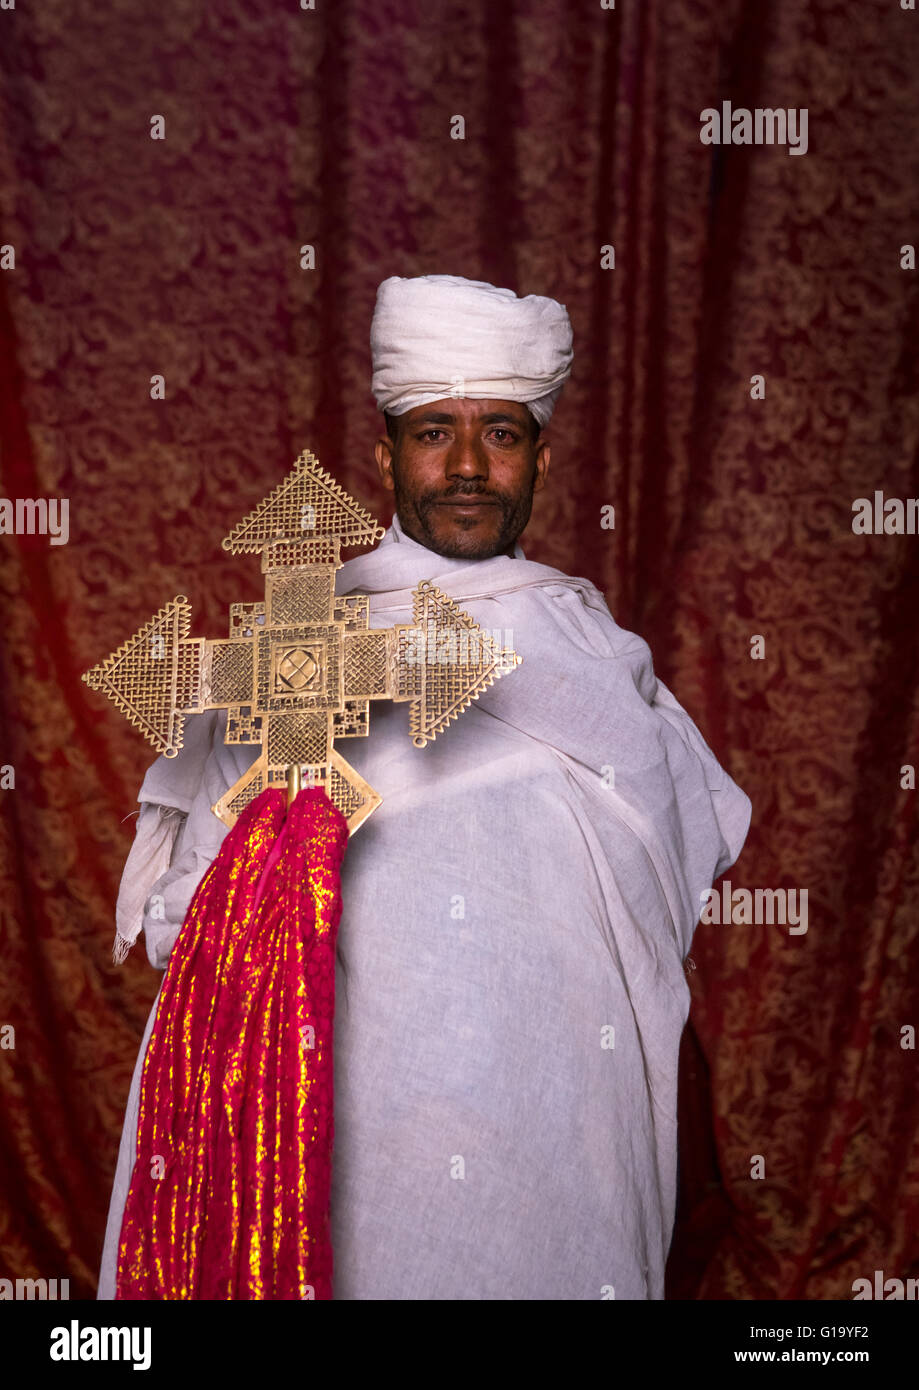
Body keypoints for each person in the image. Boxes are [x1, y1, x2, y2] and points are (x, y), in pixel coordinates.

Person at [98, 273, 751, 1300]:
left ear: (540, 454)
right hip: (333, 1145)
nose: (464, 467)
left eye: (498, 433)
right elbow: (186, 929)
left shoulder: (602, 666)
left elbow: (656, 907)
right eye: (432, 432)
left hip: (554, 1141)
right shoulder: (296, 649)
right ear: (385, 454)